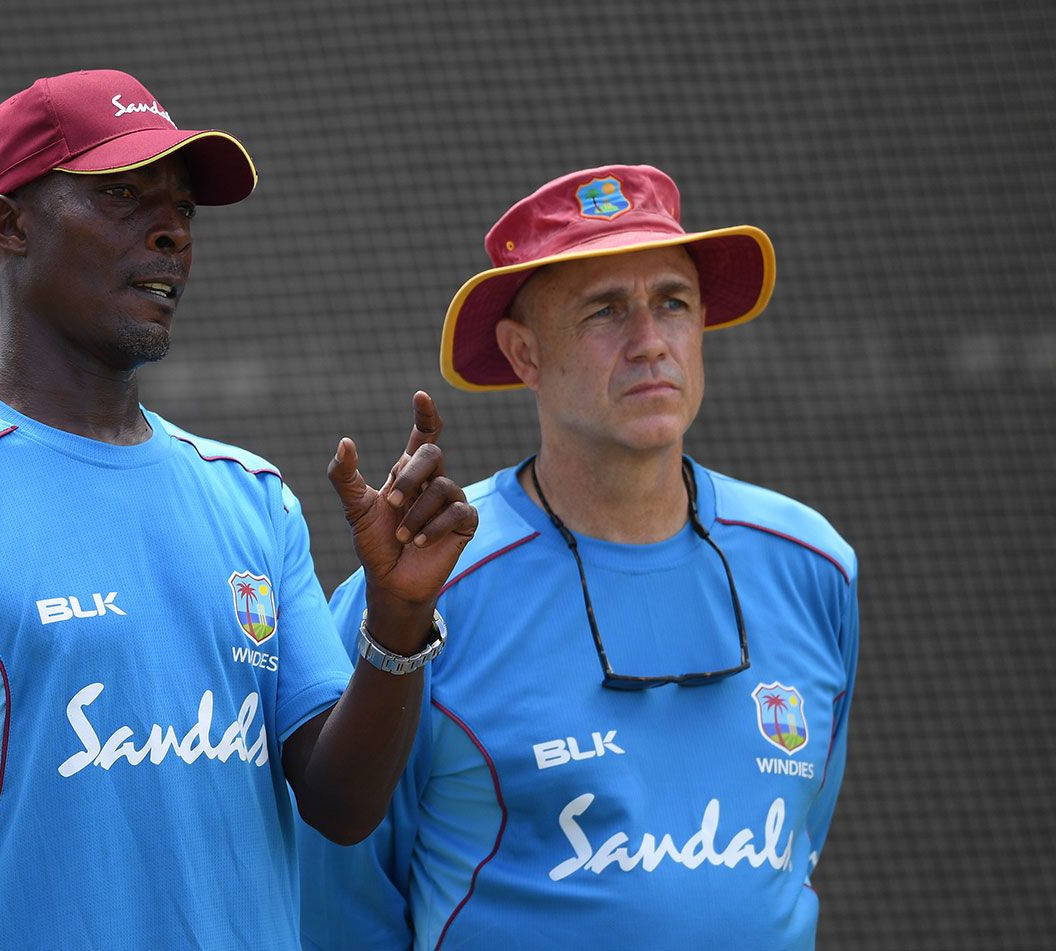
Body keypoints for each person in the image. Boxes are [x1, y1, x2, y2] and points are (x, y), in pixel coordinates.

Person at [0, 68, 477, 950]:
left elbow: (342, 807)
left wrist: (396, 623)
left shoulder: (252, 497)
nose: (171, 233)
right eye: (123, 196)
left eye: (184, 209)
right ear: (10, 225)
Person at [299, 165, 859, 950]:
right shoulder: (418, 589)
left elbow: (794, 852)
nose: (650, 342)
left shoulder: (813, 566)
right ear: (523, 352)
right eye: (606, 311)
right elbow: (338, 892)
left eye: (674, 301)